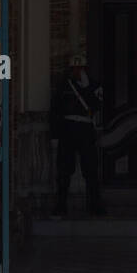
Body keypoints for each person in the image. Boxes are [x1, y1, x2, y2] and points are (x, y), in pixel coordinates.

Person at [49, 54, 106, 216]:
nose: (77, 72)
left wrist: (86, 87)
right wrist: (54, 135)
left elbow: (96, 106)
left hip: (85, 129)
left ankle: (95, 206)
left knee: (91, 169)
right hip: (67, 129)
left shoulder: (94, 86)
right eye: (74, 69)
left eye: (80, 68)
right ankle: (61, 206)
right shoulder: (63, 86)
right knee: (64, 170)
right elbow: (55, 110)